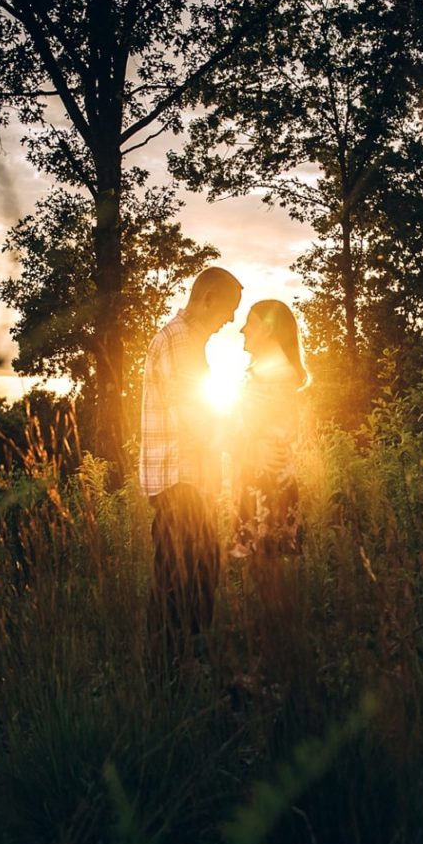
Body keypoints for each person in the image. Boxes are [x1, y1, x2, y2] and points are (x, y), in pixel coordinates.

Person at [139, 266, 243, 668]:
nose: (230, 319)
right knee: (180, 586)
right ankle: (170, 677)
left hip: (182, 482)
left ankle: (183, 668)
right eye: (229, 308)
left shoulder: (184, 340)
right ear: (206, 299)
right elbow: (194, 417)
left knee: (193, 579)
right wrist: (236, 444)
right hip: (180, 483)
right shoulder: (181, 340)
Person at [226, 300, 310, 693]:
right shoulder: (269, 374)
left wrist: (246, 446)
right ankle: (278, 661)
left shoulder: (273, 377)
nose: (242, 330)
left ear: (269, 331)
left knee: (266, 574)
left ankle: (275, 667)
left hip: (267, 488)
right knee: (264, 573)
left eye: (250, 323)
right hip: (261, 484)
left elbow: (262, 438)